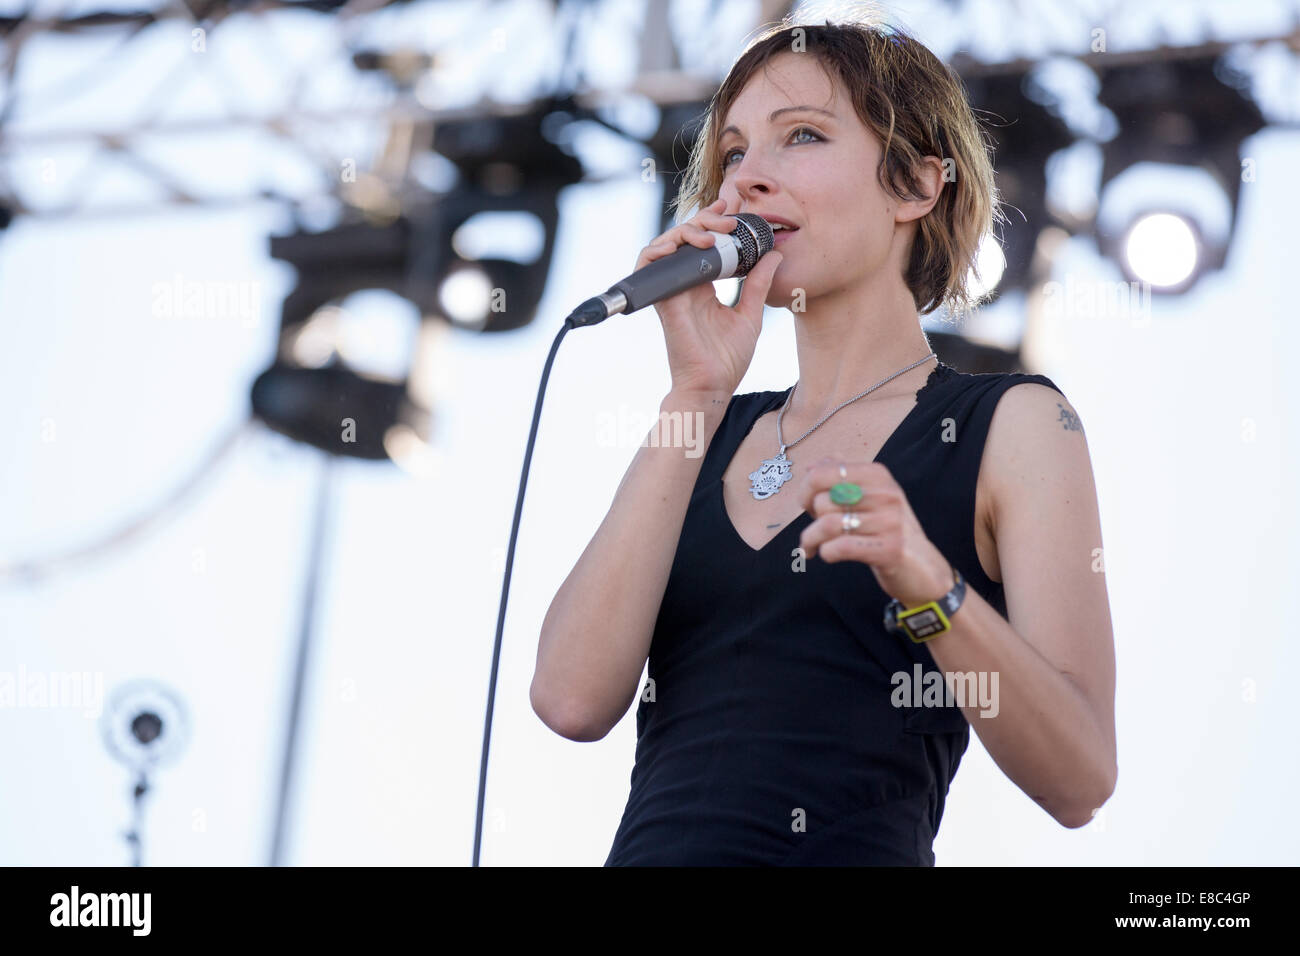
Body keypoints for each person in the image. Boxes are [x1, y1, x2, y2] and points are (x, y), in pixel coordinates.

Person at [530, 15, 1117, 865]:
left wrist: (929, 584)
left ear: (917, 185)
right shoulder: (704, 430)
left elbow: (1082, 778)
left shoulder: (1014, 424)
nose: (749, 180)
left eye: (800, 135)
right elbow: (570, 700)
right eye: (732, 155)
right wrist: (695, 390)